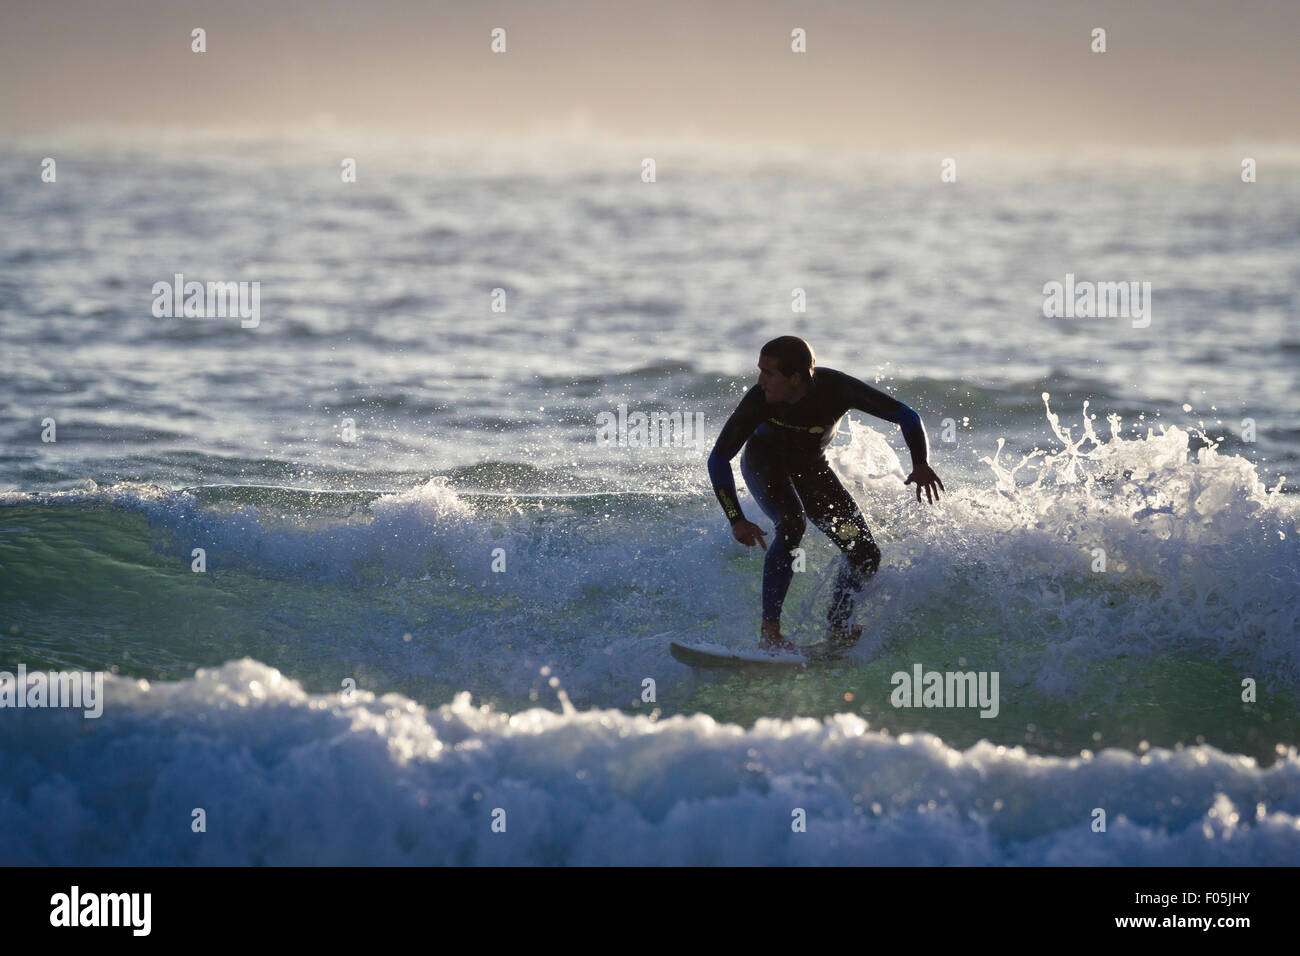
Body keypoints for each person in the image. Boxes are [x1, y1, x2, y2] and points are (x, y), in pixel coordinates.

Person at [707, 336, 944, 650]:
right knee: (792, 524)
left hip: (811, 473)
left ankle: (838, 625)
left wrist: (921, 463)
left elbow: (905, 415)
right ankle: (770, 633)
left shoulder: (837, 389)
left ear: (795, 378)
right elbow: (719, 458)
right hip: (765, 466)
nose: (761, 381)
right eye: (759, 371)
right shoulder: (758, 401)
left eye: (769, 373)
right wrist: (736, 518)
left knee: (863, 551)